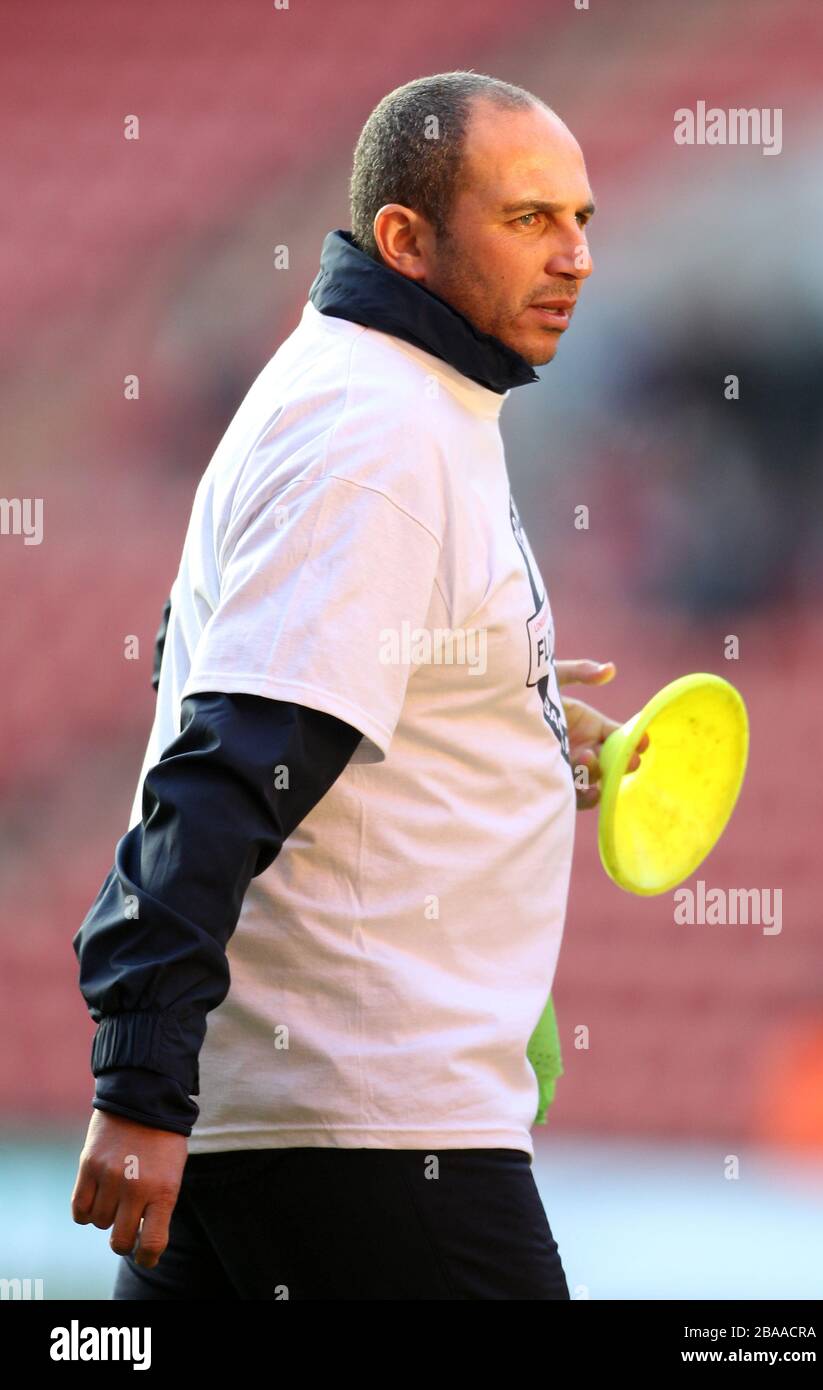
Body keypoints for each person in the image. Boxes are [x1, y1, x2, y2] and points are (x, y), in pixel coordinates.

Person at [71, 70, 646, 1301]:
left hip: (290, 1124)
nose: (574, 257)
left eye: (582, 219)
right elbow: (226, 766)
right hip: (371, 1129)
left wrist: (517, 716)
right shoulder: (377, 427)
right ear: (405, 239)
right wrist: (139, 1080)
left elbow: (318, 692)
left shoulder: (391, 394)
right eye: (528, 218)